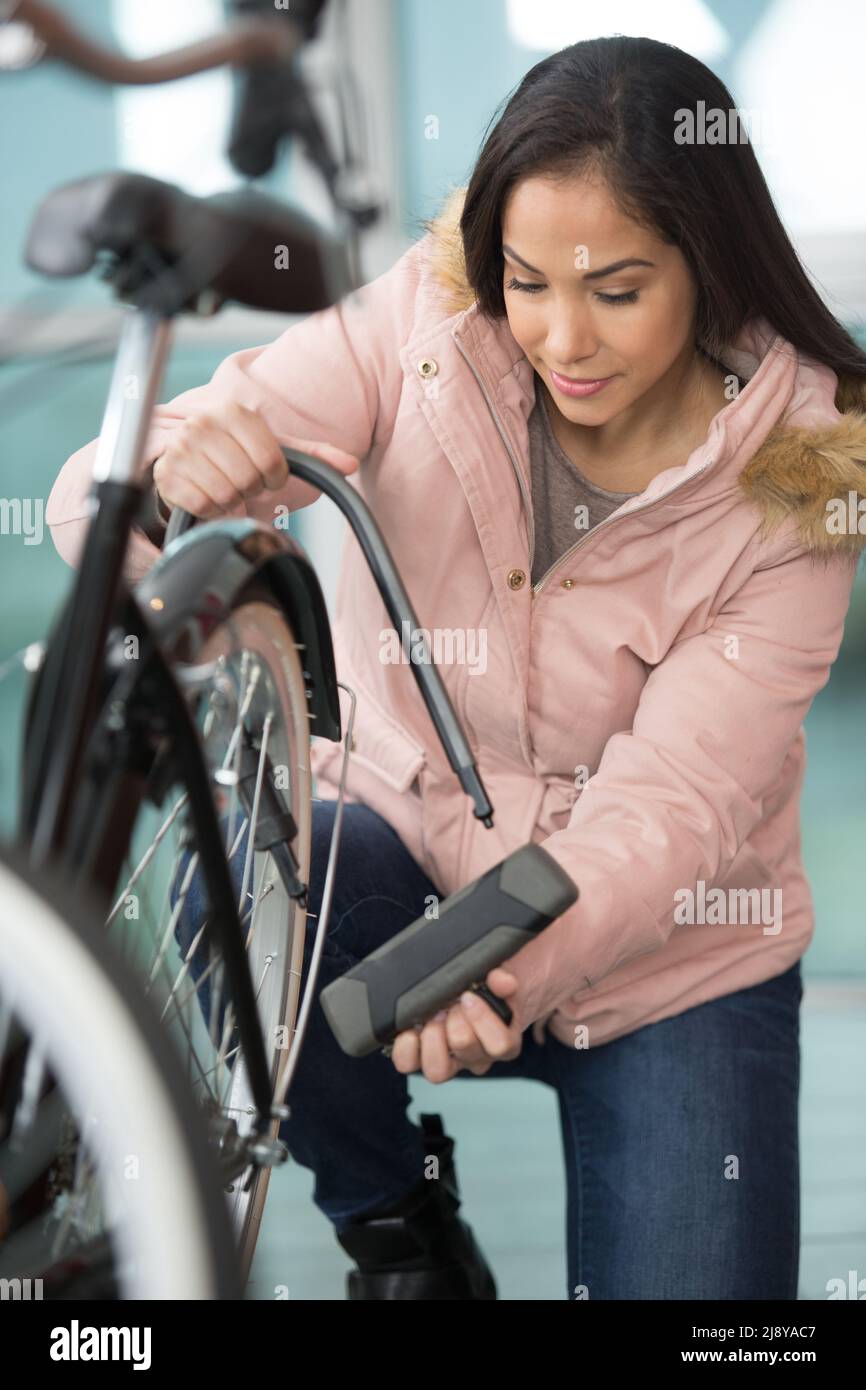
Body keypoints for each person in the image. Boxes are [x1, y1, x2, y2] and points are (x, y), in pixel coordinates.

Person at [47, 35, 866, 1300]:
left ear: (709, 264)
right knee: (250, 878)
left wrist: (495, 963)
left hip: (669, 967)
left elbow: (672, 809)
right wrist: (178, 475)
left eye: (614, 288)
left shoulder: (798, 491)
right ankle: (398, 1234)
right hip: (398, 884)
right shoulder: (425, 324)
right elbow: (117, 492)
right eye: (527, 278)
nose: (556, 334)